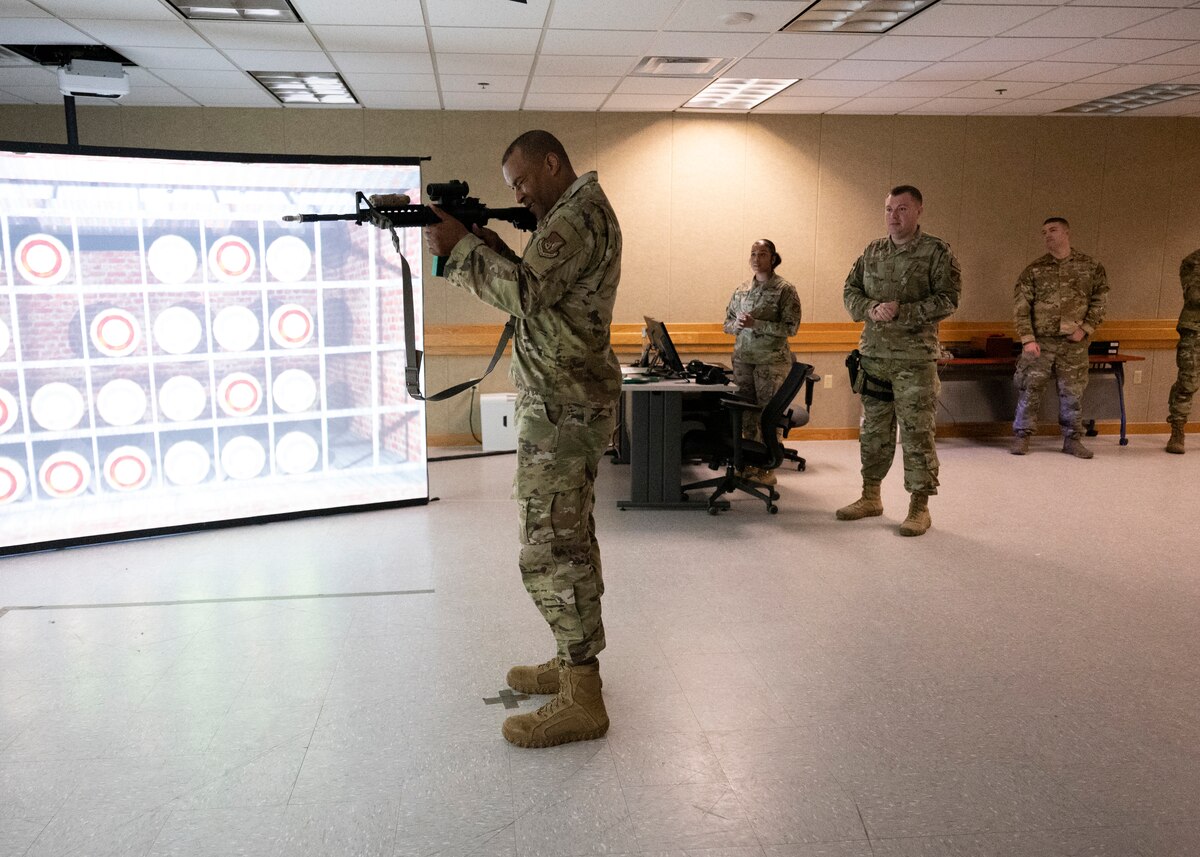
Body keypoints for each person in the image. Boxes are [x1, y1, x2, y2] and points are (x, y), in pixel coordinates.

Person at [423, 130, 620, 748]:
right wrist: (484, 243)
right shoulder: (575, 212)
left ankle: (583, 695)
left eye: (521, 182)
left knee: (549, 548)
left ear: (552, 163)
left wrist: (459, 251)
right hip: (566, 400)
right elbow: (541, 287)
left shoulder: (574, 217)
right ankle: (572, 663)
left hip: (562, 406)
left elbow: (527, 294)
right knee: (569, 537)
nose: (518, 194)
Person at [836, 185, 961, 537]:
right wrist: (870, 309)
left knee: (917, 434)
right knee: (873, 433)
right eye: (889, 208)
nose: (894, 215)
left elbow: (949, 299)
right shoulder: (872, 251)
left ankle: (919, 508)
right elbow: (850, 292)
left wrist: (903, 312)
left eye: (902, 209)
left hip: (914, 360)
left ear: (919, 211)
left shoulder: (937, 252)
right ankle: (870, 497)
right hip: (874, 357)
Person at [1010, 217, 1108, 458]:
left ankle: (1072, 438)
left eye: (1052, 230)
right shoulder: (1034, 270)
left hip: (1073, 342)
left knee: (1072, 392)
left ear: (1067, 233)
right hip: (1040, 342)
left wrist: (1085, 328)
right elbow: (1021, 306)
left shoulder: (1090, 267)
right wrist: (1027, 338)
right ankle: (1022, 436)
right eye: (1044, 232)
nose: (1047, 235)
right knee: (1030, 389)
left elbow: (1100, 300)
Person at [722, 239, 802, 486]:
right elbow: (726, 323)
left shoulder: (785, 290)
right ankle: (746, 463)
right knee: (746, 413)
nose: (757, 258)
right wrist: (735, 326)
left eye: (763, 254)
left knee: (768, 415)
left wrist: (757, 324)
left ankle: (768, 466)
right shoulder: (741, 290)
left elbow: (791, 328)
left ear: (773, 258)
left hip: (771, 362)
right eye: (753, 254)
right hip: (744, 360)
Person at [1166, 247, 1200, 453]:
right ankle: (1177, 431)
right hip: (1195, 330)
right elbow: (1195, 295)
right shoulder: (1193, 261)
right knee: (1188, 381)